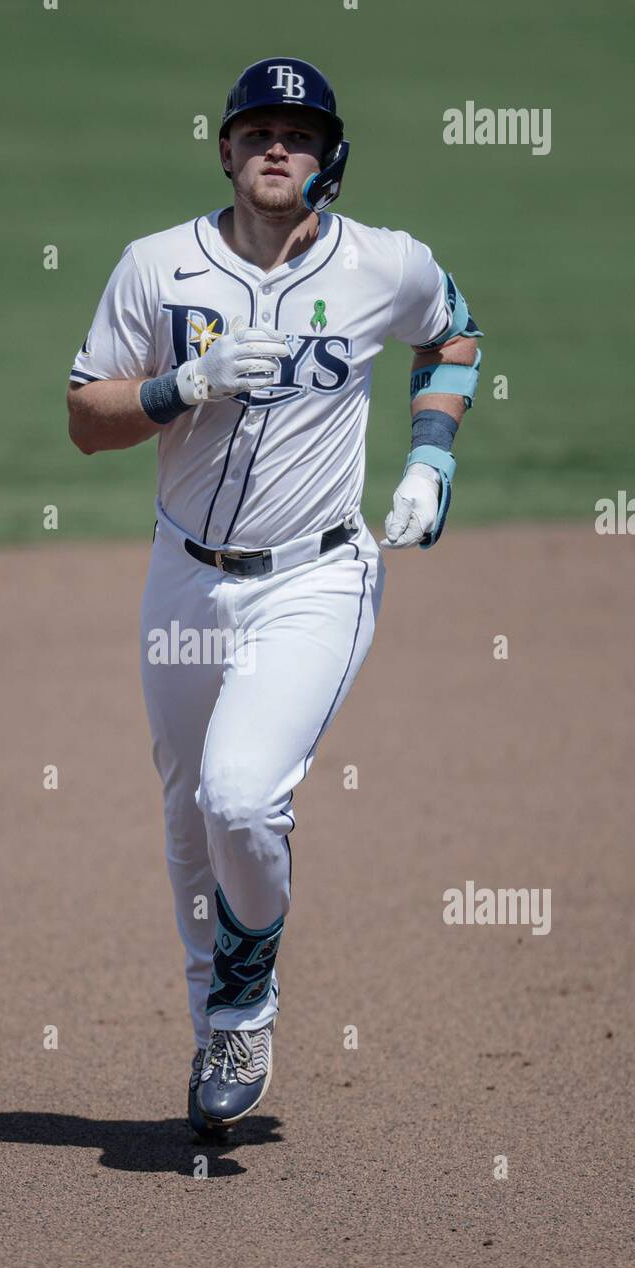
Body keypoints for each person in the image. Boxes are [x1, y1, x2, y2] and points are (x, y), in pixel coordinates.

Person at [67, 57, 482, 1139]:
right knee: (188, 816)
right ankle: (216, 1022)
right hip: (181, 574)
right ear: (223, 148)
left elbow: (451, 330)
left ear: (328, 155)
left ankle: (247, 1006)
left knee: (242, 795)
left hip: (316, 574)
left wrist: (429, 458)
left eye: (296, 133)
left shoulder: (380, 265)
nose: (275, 148)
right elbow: (85, 417)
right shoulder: (156, 268)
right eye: (255, 131)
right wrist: (178, 387)